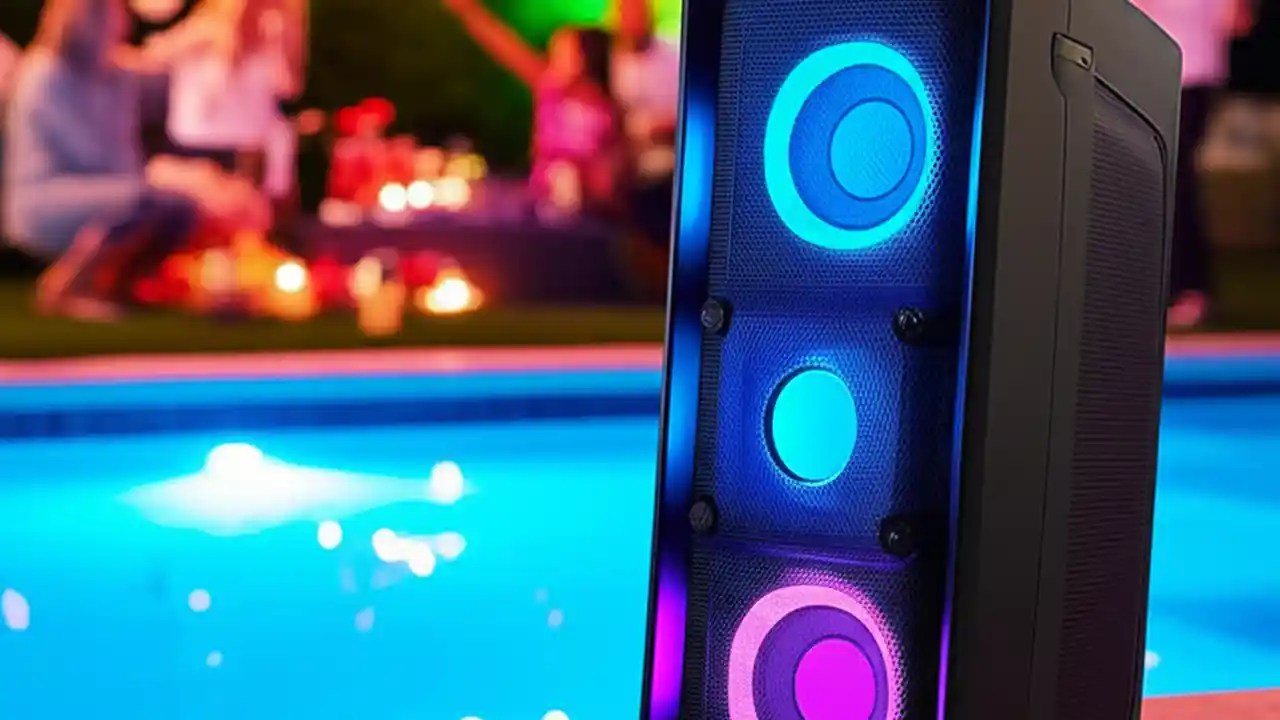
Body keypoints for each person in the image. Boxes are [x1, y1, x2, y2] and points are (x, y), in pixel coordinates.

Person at [3, 0, 201, 320]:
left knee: (179, 208)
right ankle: (67, 288)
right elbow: (87, 152)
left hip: (115, 188)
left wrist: (201, 37)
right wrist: (154, 178)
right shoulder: (44, 73)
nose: (115, 23)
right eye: (104, 15)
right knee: (140, 201)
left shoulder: (119, 75)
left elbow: (167, 75)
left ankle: (119, 286)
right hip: (45, 198)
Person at [440, 0, 625, 216]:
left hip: (591, 214)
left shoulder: (608, 110)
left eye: (562, 52)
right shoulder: (552, 92)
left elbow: (615, 168)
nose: (553, 59)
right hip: (543, 208)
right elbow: (505, 46)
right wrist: (468, 11)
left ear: (586, 57)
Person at [1135, 0, 1251, 329]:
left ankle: (1188, 288)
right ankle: (1176, 287)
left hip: (1188, 74)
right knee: (1166, 180)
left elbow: (1236, 20)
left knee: (1173, 181)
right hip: (1176, 74)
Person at [141, 0, 305, 199]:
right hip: (197, 146)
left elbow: (289, 88)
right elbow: (149, 59)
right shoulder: (202, 31)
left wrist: (281, 40)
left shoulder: (272, 36)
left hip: (248, 150)